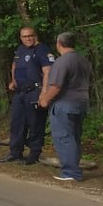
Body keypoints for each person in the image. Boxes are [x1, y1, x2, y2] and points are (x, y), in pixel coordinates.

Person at [38, 32, 92, 182]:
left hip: (64, 104)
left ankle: (71, 172)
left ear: (59, 44)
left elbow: (56, 86)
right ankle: (74, 168)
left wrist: (45, 99)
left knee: (64, 137)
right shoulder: (83, 60)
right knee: (74, 136)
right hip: (81, 102)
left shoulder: (62, 62)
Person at [1, 27, 55, 165]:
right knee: (17, 123)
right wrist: (13, 80)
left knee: (35, 123)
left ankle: (34, 154)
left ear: (35, 36)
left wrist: (44, 94)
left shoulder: (42, 50)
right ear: (21, 38)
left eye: (30, 36)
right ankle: (15, 152)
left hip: (35, 90)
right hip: (20, 92)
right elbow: (15, 65)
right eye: (25, 36)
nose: (28, 38)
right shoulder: (20, 50)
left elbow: (48, 72)